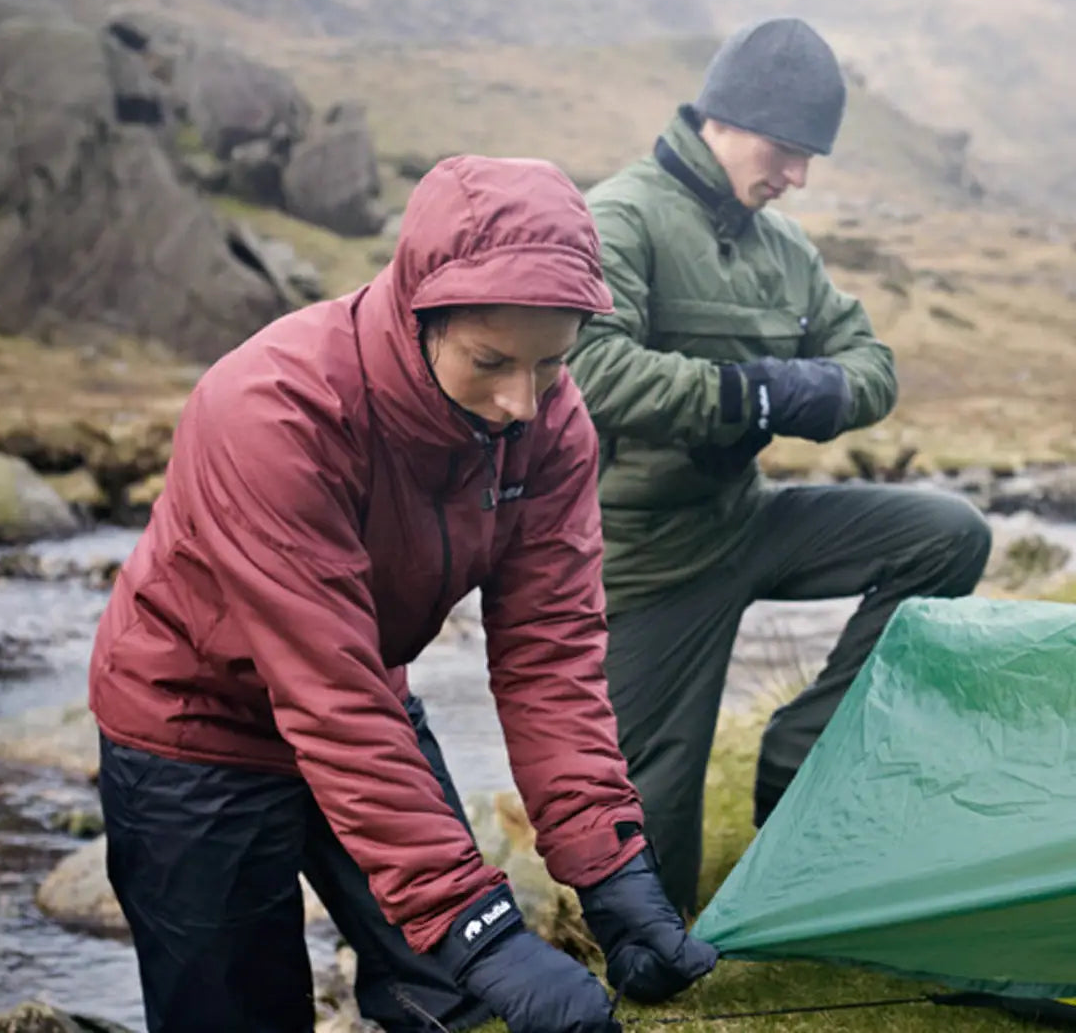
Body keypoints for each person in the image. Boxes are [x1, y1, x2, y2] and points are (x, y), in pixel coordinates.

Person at [89, 155, 717, 1033]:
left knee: (457, 995)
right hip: (197, 730)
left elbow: (551, 654)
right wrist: (478, 925)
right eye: (490, 361)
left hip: (367, 694)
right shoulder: (273, 412)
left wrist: (610, 866)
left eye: (550, 363)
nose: (521, 403)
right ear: (420, 308)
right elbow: (327, 693)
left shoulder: (552, 423)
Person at [567, 17, 993, 916]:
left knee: (950, 536)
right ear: (723, 118)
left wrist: (814, 392)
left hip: (749, 521)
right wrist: (753, 396)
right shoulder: (620, 217)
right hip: (644, 561)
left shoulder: (785, 247)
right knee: (656, 884)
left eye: (810, 159)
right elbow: (586, 369)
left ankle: (804, 747)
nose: (796, 177)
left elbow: (871, 365)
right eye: (788, 151)